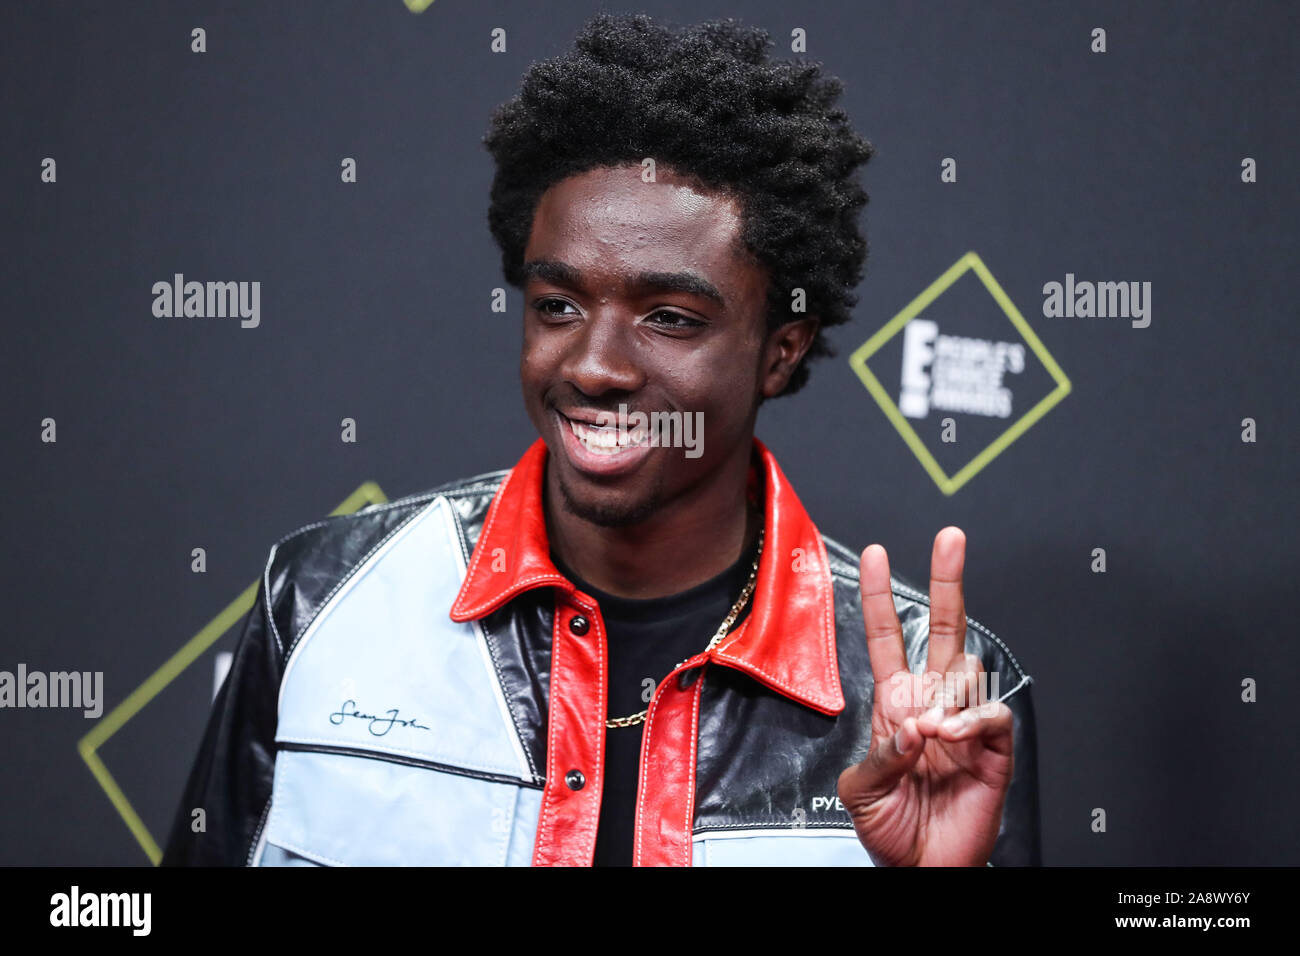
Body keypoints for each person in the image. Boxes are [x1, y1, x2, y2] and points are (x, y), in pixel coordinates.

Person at [162, 12, 1039, 867]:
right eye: (559, 306)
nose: (594, 366)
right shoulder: (322, 601)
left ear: (780, 350)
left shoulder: (938, 692)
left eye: (669, 318)